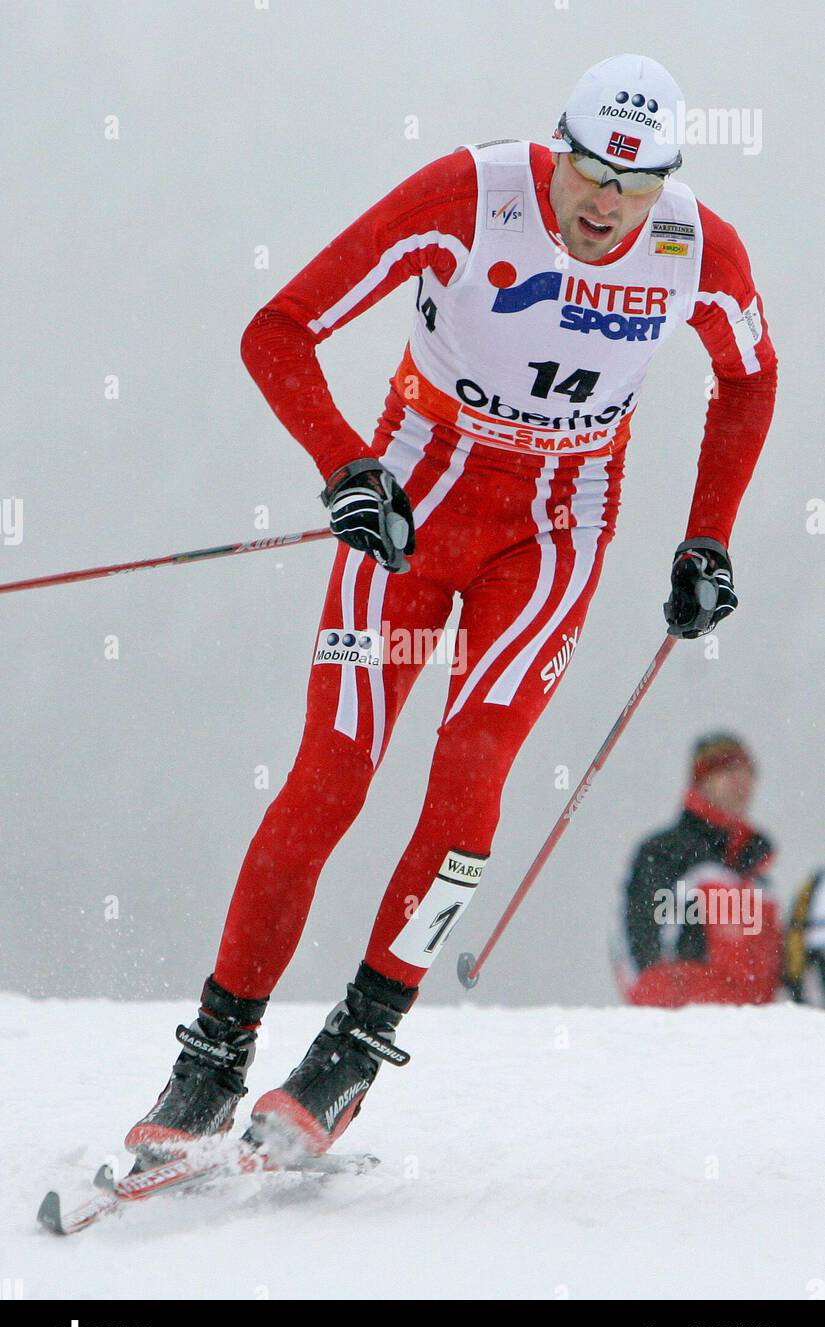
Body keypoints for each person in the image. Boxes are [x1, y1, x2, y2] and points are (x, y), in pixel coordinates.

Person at [126, 54, 778, 1162]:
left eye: (635, 181)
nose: (604, 203)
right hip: (417, 505)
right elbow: (276, 328)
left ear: (665, 179)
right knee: (331, 776)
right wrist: (347, 468)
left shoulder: (695, 248)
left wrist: (707, 533)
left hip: (556, 534)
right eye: (587, 170)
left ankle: (350, 1054)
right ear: (555, 151)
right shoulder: (471, 197)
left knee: (472, 769)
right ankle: (210, 1060)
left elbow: (749, 375)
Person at [615, 734, 782, 1006]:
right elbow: (639, 943)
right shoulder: (664, 853)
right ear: (701, 780)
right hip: (688, 1031)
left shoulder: (757, 874)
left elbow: (774, 968)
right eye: (726, 770)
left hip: (753, 1035)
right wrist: (666, 1015)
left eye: (747, 771)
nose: (740, 781)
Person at [784, 871, 825, 1005]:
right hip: (814, 949)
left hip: (813, 947)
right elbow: (797, 924)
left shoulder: (817, 882)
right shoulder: (817, 881)